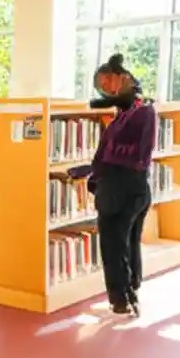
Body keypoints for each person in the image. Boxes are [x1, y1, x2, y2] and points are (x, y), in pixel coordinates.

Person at [65, 53, 157, 316]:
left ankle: (121, 300)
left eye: (111, 82)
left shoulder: (140, 113)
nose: (107, 89)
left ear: (124, 78)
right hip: (132, 189)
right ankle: (130, 294)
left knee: (115, 245)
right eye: (103, 86)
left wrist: (93, 168)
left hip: (120, 190)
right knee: (128, 243)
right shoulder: (131, 114)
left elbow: (134, 156)